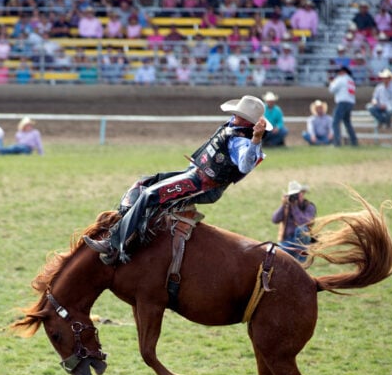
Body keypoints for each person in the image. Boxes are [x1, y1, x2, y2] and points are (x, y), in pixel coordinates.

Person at [83, 95, 269, 265]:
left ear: (247, 121)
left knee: (149, 194)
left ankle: (114, 243)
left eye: (239, 114)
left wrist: (255, 140)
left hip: (204, 185)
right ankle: (123, 223)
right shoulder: (233, 128)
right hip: (195, 175)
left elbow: (245, 166)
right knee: (144, 183)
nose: (234, 115)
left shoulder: (243, 141)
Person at [271, 181, 316, 261]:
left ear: (301, 194)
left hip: (302, 241)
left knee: (301, 229)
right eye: (292, 195)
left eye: (296, 195)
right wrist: (283, 205)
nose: (294, 197)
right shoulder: (287, 206)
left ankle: (301, 262)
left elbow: (303, 223)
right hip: (287, 241)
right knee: (277, 259)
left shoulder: (309, 206)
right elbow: (275, 219)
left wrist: (295, 207)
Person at [328, 66, 357, 146]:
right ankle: (354, 141)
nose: (338, 73)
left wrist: (331, 82)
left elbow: (332, 89)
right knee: (347, 122)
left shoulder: (340, 79)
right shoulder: (350, 80)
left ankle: (337, 142)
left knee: (335, 122)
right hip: (350, 102)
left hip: (342, 101)